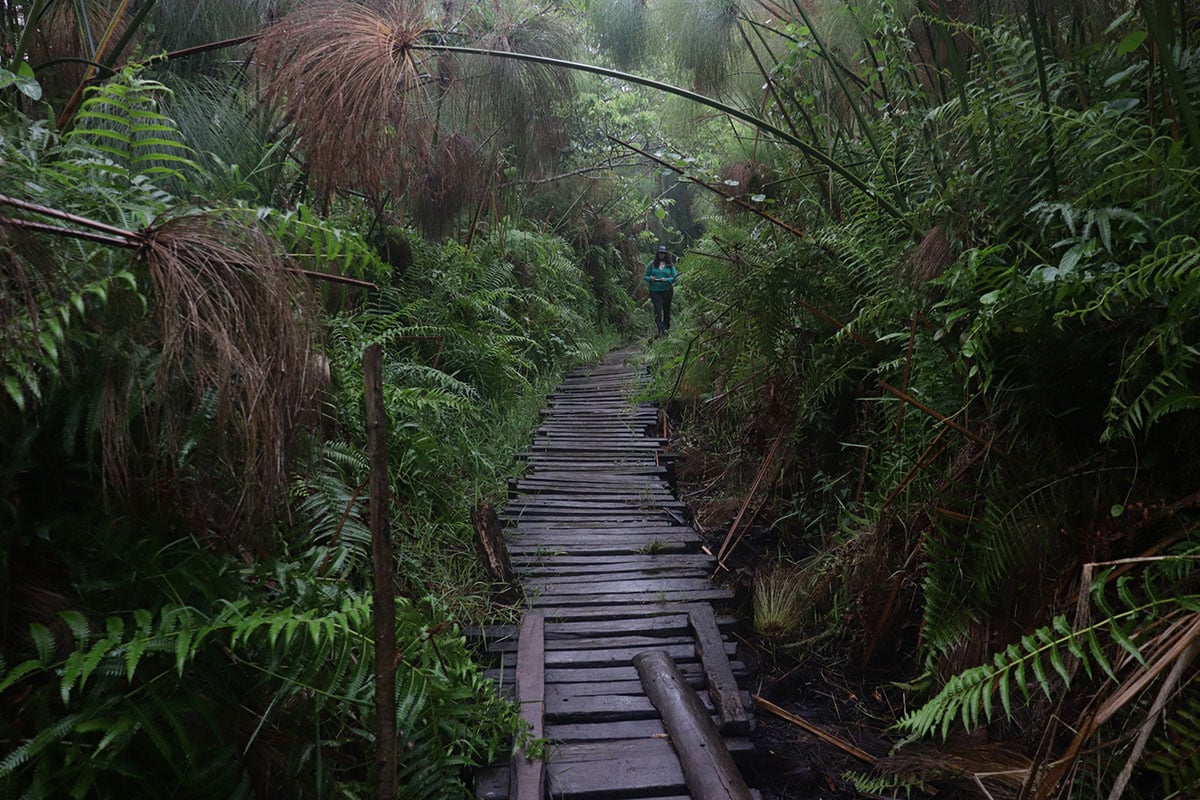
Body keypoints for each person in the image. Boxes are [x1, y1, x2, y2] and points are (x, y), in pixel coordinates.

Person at [644, 244, 678, 336]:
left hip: (667, 290)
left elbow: (675, 278)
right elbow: (646, 277)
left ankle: (666, 328)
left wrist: (666, 280)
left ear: (666, 254)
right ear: (657, 254)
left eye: (663, 253)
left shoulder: (670, 265)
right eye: (660, 253)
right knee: (657, 309)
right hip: (654, 290)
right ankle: (660, 329)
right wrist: (650, 278)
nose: (661, 255)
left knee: (667, 309)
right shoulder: (652, 264)